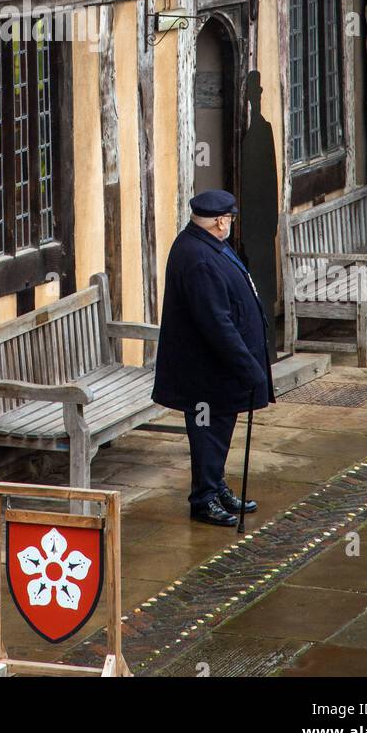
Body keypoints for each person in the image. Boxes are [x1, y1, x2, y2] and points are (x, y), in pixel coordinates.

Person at [151, 189, 275, 527]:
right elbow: (215, 323)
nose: (231, 223)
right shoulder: (199, 257)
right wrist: (249, 366)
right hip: (205, 373)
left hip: (218, 372)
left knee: (219, 430)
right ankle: (203, 499)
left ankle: (215, 486)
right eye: (230, 218)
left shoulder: (205, 244)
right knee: (207, 433)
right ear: (221, 221)